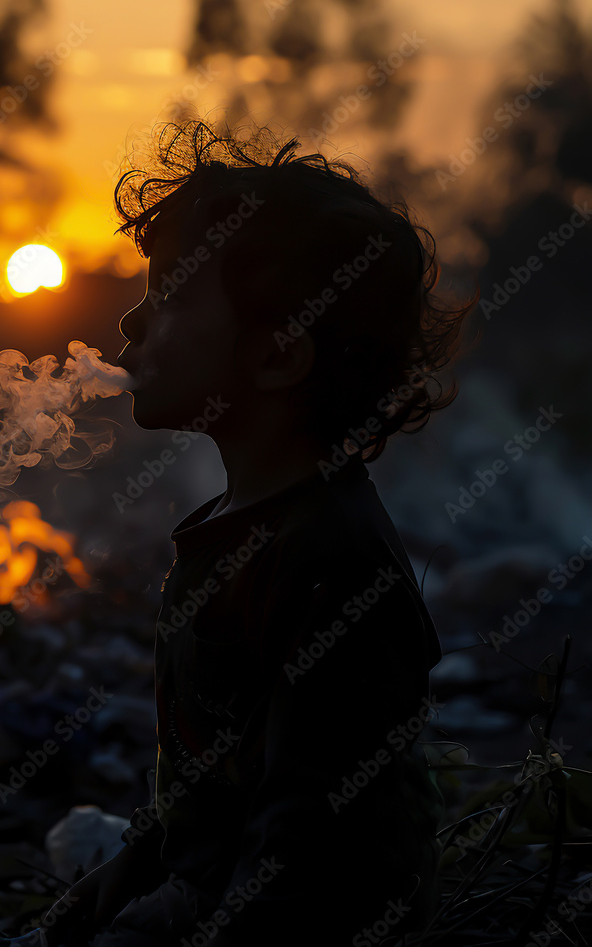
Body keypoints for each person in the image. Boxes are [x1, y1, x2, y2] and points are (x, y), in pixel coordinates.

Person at [39, 116, 477, 947]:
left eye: (168, 294)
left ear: (279, 357)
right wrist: (129, 875)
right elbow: (215, 792)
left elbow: (314, 857)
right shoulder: (232, 530)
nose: (131, 325)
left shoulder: (331, 564)